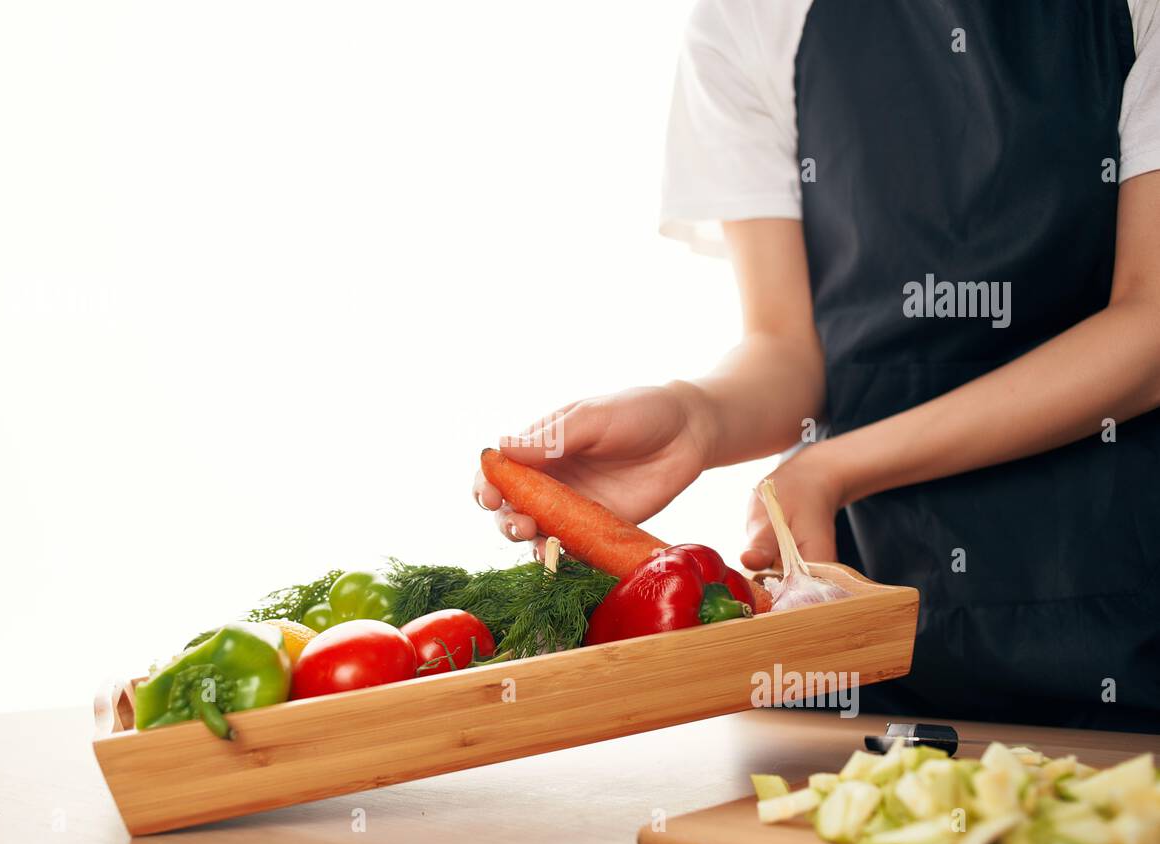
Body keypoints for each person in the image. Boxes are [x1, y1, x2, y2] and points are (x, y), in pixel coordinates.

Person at [474, 0, 1160, 732]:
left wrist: (835, 467)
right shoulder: (746, 19)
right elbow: (788, 351)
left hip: (1120, 615)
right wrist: (693, 419)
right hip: (863, 639)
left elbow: (1148, 329)